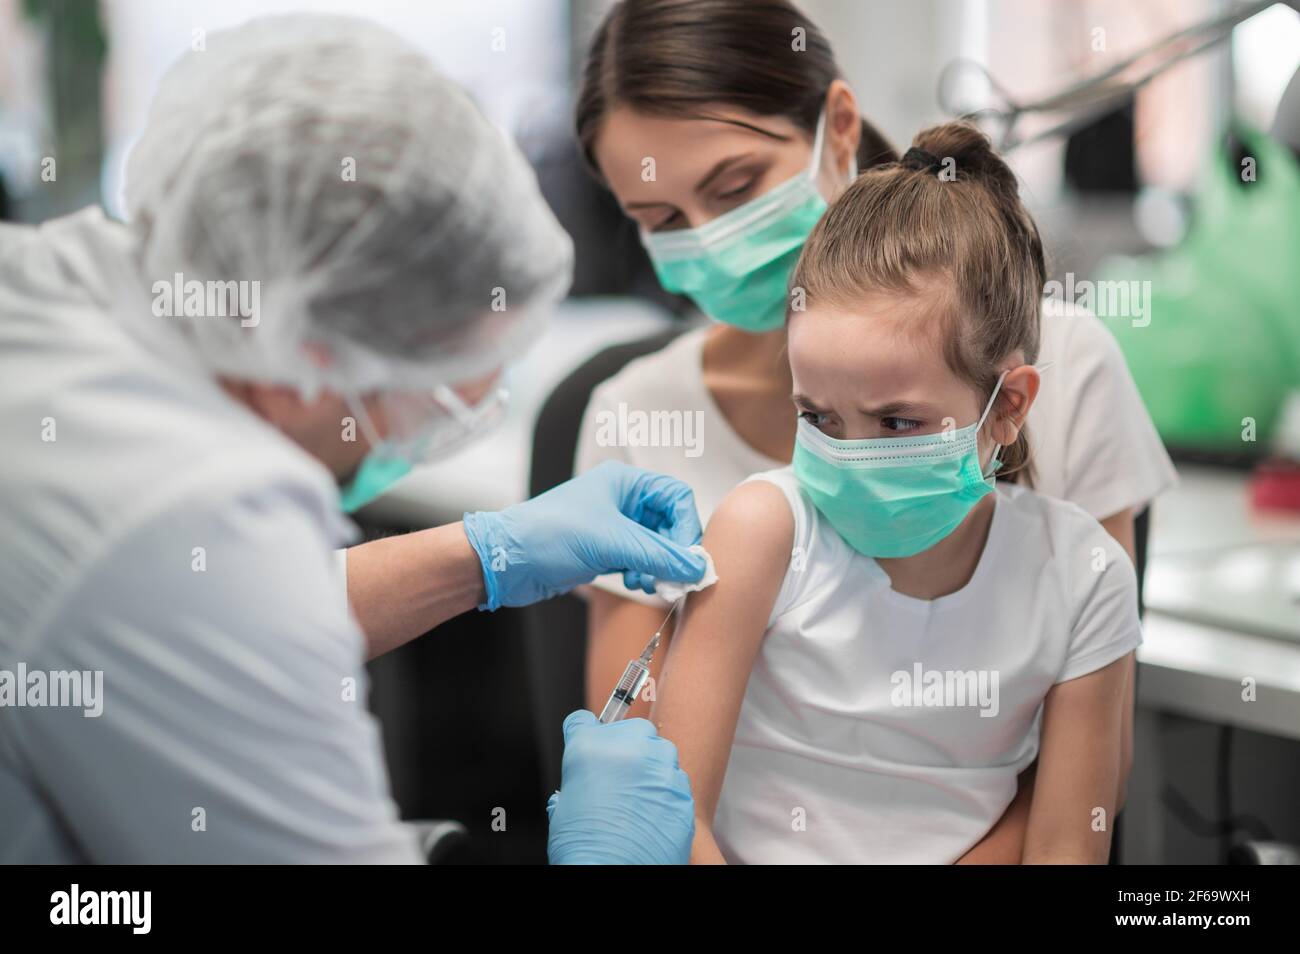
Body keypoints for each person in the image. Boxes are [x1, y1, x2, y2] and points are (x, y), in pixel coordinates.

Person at [0, 15, 698, 864]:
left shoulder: (69, 279)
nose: (424, 436)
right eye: (434, 397)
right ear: (316, 355)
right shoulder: (187, 507)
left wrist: (487, 554)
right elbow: (206, 600)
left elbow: (213, 616)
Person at [572, 0, 1175, 862]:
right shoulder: (647, 424)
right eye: (660, 219)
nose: (709, 241)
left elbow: (1077, 775)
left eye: (735, 188)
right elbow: (646, 786)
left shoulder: (1066, 365)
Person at [653, 123, 1139, 863]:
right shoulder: (764, 534)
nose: (849, 456)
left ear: (1007, 406)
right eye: (817, 417)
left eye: (897, 421)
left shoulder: (1084, 577)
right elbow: (673, 822)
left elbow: (1068, 845)